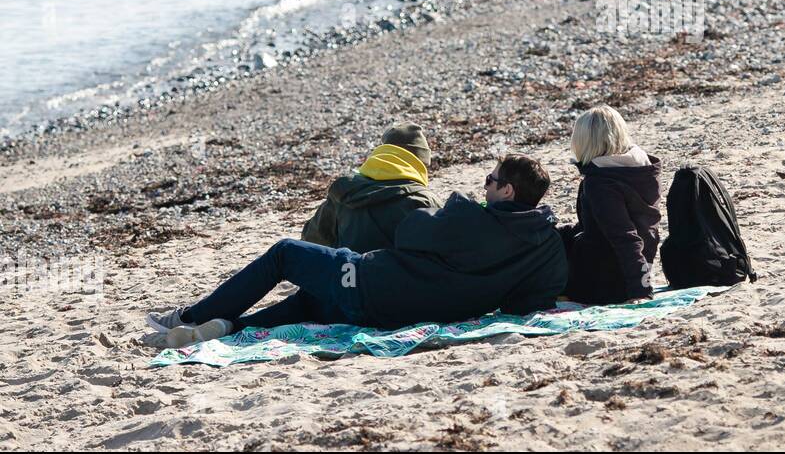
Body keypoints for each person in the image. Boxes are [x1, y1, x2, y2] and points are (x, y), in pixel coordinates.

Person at [145, 154, 566, 347]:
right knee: (310, 304)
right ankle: (229, 328)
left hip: (372, 283)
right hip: (403, 313)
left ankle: (191, 316)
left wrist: (457, 206)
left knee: (286, 253)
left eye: (491, 180)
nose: (484, 185)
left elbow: (409, 233)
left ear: (507, 190)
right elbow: (525, 301)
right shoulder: (543, 242)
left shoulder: (472, 217)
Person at [558, 105, 661, 304]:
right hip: (641, 264)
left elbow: (625, 237)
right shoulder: (641, 168)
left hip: (609, 280)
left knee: (552, 244)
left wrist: (641, 292)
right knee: (562, 234)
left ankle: (561, 292)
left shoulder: (600, 183)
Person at [300, 122, 440, 253]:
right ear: (419, 163)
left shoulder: (346, 191)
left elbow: (310, 240)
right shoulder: (425, 200)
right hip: (400, 277)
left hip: (350, 276)